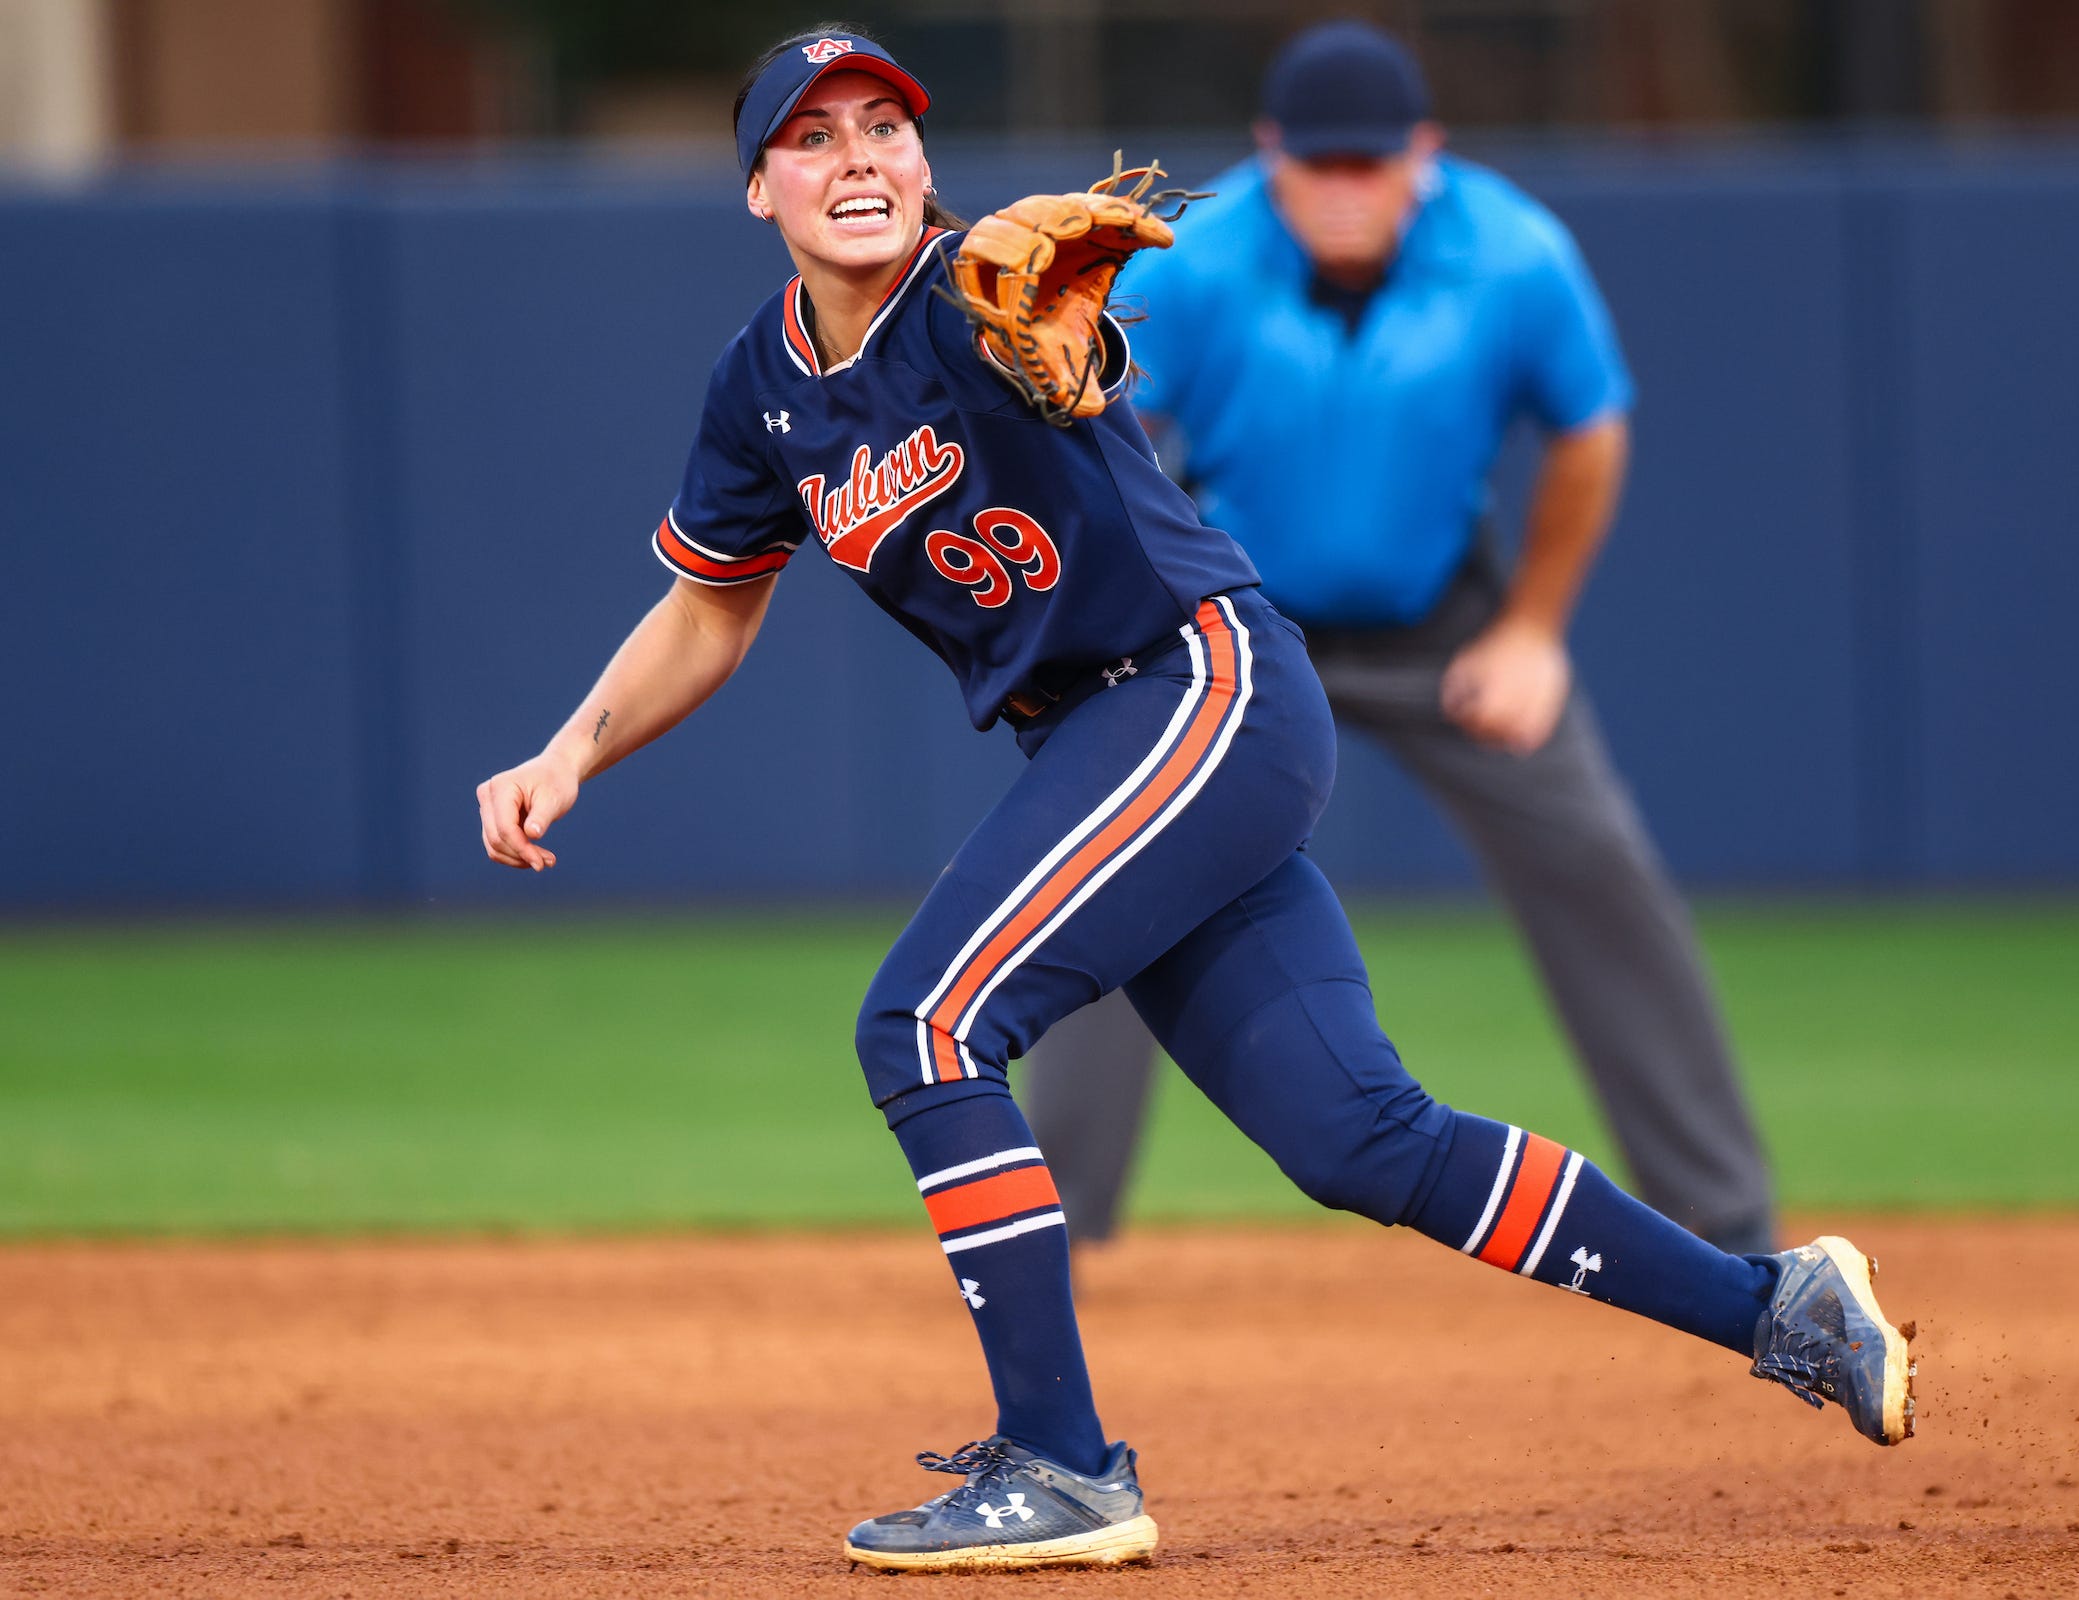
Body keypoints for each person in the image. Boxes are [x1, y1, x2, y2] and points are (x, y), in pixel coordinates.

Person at [473, 25, 1914, 1576]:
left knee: (927, 1027)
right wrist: (569, 752)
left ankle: (1061, 1462)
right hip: (1111, 736)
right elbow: (710, 606)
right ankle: (1780, 1310)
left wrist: (1079, 351)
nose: (859, 159)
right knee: (1359, 1138)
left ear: (924, 159)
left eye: (885, 126)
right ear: (759, 188)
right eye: (813, 138)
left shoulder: (977, 293)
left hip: (1191, 688)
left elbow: (1073, 352)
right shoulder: (759, 389)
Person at [1025, 19, 1779, 1258]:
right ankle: (1045, 1221)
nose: (1343, 186)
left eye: (1368, 162)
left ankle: (1724, 1217)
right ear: (1269, 151)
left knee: (1599, 864)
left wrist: (1535, 630)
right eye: (1316, 161)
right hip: (1240, 624)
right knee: (1116, 855)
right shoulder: (1194, 258)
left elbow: (1590, 430)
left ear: (1424, 154)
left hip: (1449, 623)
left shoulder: (1514, 253)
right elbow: (1105, 442)